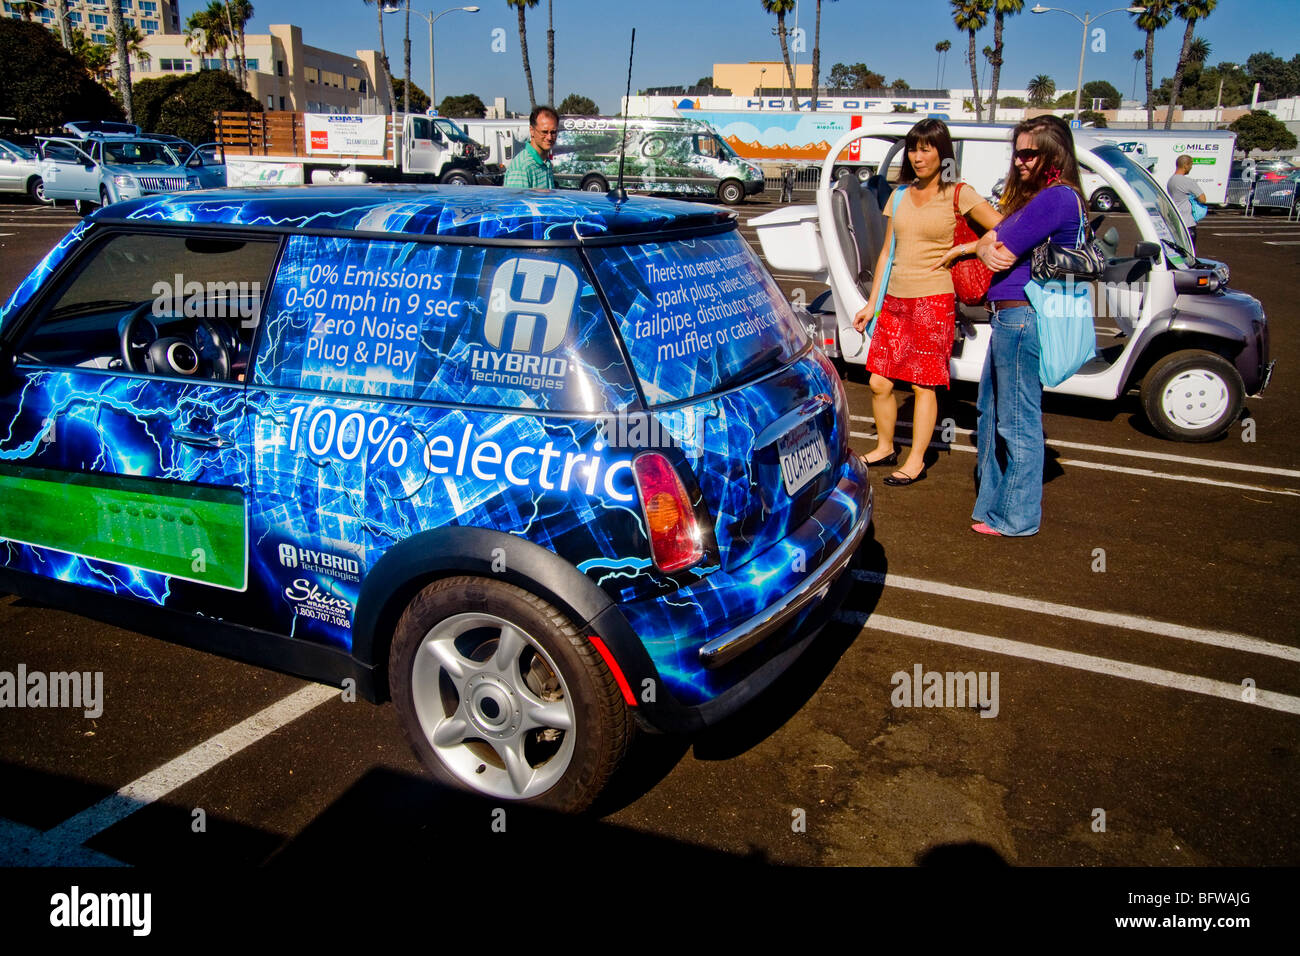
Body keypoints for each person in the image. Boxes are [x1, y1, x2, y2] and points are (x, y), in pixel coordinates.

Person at [851, 118, 1001, 486]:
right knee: (879, 383)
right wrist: (872, 303)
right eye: (913, 149)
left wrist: (965, 249)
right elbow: (887, 251)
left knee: (922, 385)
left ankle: (916, 459)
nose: (918, 157)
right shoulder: (899, 195)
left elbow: (1003, 227)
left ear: (942, 152)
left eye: (926, 148)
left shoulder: (959, 193)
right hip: (894, 302)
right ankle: (885, 446)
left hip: (933, 300)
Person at [969, 116, 1091, 537]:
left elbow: (1000, 242)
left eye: (1029, 153)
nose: (1019, 161)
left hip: (1021, 316)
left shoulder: (1054, 199)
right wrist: (985, 243)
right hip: (1011, 315)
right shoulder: (1050, 197)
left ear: (1053, 156)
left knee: (1015, 421)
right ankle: (992, 505)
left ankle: (1016, 517)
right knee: (991, 412)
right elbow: (993, 237)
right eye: (1016, 152)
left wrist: (988, 244)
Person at [503, 105, 558, 188]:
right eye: (544, 132)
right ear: (532, 130)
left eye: (553, 132)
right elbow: (517, 201)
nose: (549, 137)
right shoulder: (522, 168)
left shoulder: (545, 163)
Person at [1166, 153, 1207, 246]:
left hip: (1175, 221)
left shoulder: (1171, 180)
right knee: (1189, 254)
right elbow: (1203, 199)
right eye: (1191, 165)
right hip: (1187, 224)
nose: (1191, 167)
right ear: (1185, 165)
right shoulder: (1187, 181)